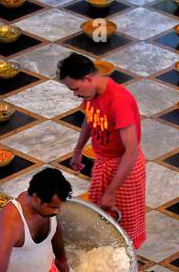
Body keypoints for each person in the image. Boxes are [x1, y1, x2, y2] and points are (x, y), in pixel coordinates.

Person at [60, 53, 147, 254]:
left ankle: (125, 269)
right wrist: (78, 150)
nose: (75, 94)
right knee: (103, 218)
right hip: (104, 163)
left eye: (76, 89)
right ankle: (108, 260)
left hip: (125, 170)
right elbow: (90, 119)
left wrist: (111, 191)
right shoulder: (91, 95)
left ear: (88, 79)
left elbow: (131, 151)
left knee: (125, 225)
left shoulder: (119, 100)